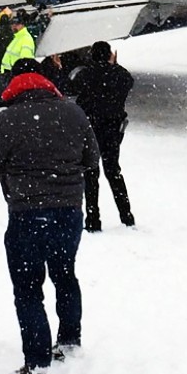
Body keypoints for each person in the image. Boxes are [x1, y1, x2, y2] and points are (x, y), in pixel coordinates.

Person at [0, 60, 99, 374]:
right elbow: (92, 158)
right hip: (68, 212)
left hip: (27, 214)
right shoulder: (73, 111)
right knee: (65, 275)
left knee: (27, 288)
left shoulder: (7, 119)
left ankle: (37, 363)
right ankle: (69, 340)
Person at [67, 41, 135, 232]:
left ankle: (92, 218)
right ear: (109, 55)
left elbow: (71, 86)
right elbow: (128, 82)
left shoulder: (86, 75)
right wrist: (114, 65)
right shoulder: (120, 75)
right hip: (113, 130)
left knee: (90, 173)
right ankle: (126, 215)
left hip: (90, 130)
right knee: (113, 171)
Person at [0, 15, 35, 96]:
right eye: (12, 24)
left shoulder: (26, 39)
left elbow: (26, 61)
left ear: (22, 25)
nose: (13, 26)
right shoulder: (17, 37)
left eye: (17, 24)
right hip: (10, 76)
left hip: (15, 76)